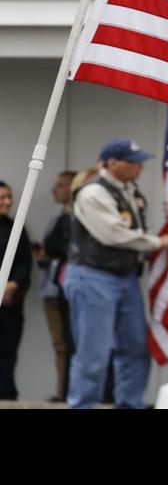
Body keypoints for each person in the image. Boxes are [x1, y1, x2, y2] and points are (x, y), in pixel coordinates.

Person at [64, 139, 168, 409]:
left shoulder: (131, 191)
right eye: (133, 161)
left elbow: (134, 228)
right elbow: (112, 234)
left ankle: (130, 404)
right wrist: (158, 243)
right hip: (93, 276)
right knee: (93, 352)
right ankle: (82, 404)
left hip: (126, 277)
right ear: (112, 163)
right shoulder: (93, 193)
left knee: (135, 348)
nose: (140, 166)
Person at [33, 170, 78, 401]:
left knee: (70, 343)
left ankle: (70, 392)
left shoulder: (74, 218)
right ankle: (64, 391)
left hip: (69, 288)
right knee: (60, 344)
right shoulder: (58, 216)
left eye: (60, 185)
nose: (54, 190)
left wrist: (50, 251)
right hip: (52, 286)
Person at [0, 180, 32, 400]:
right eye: (2, 198)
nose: (8, 202)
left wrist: (13, 285)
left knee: (7, 351)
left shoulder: (15, 227)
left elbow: (24, 261)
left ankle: (6, 395)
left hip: (9, 302)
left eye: (9, 197)